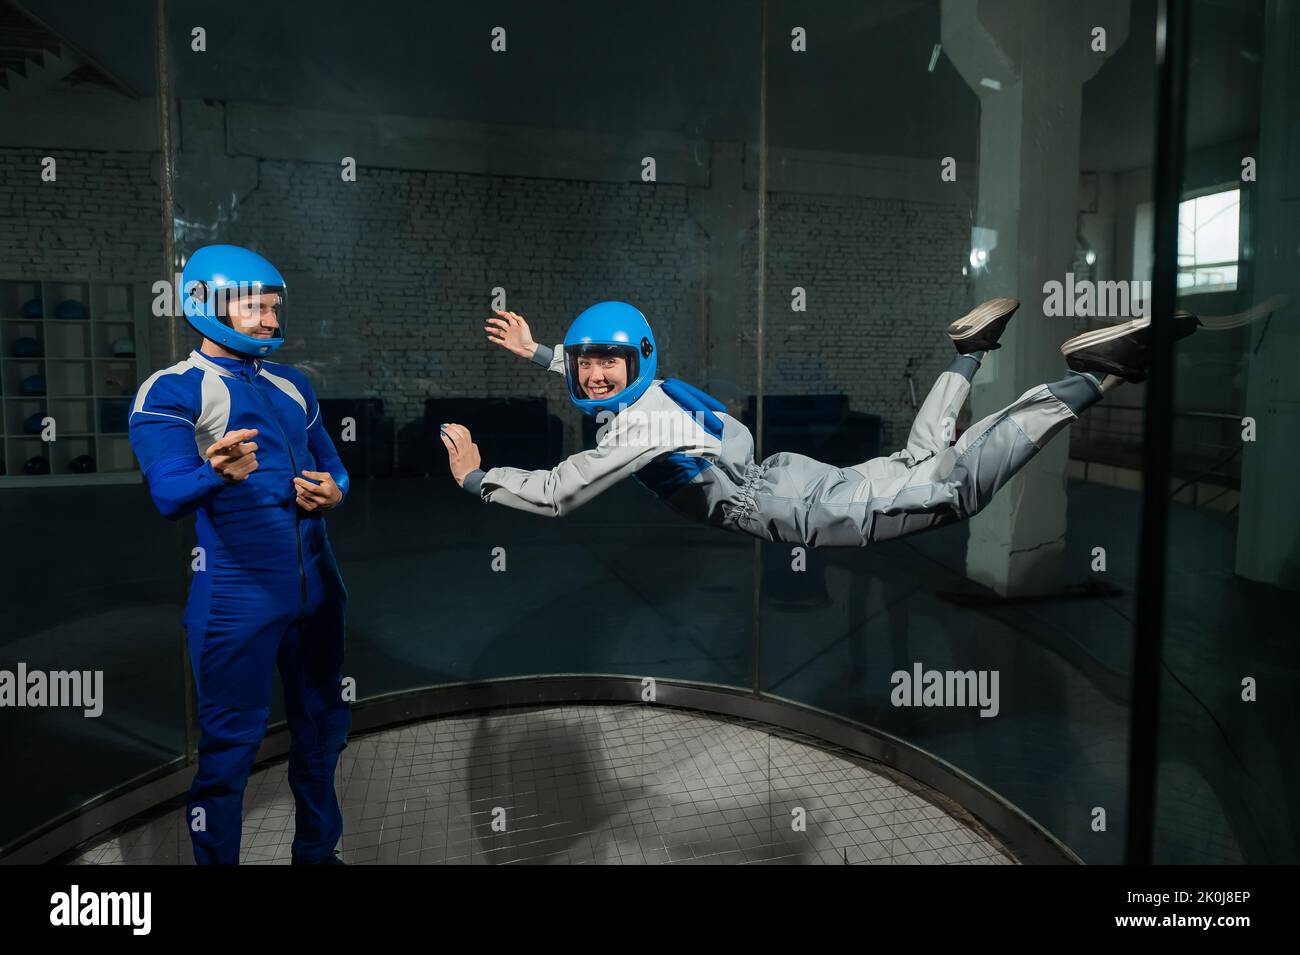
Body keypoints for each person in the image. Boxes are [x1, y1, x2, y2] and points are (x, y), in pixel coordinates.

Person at [441, 299, 1199, 547]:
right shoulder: (649, 394)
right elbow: (601, 384)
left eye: (604, 362)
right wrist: (543, 351)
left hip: (773, 502)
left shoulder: (635, 431)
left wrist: (477, 476)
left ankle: (1097, 373)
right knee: (913, 464)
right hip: (780, 471)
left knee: (954, 493)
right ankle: (968, 356)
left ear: (632, 361)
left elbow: (553, 493)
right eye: (584, 365)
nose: (592, 374)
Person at [129, 244, 351, 865]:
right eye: (253, 306)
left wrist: (335, 491)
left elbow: (335, 467)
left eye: (273, 307)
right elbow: (169, 494)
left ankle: (318, 856)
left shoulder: (293, 383)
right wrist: (215, 475)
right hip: (235, 599)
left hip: (319, 592)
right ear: (203, 304)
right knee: (229, 754)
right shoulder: (172, 389)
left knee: (323, 735)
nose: (270, 320)